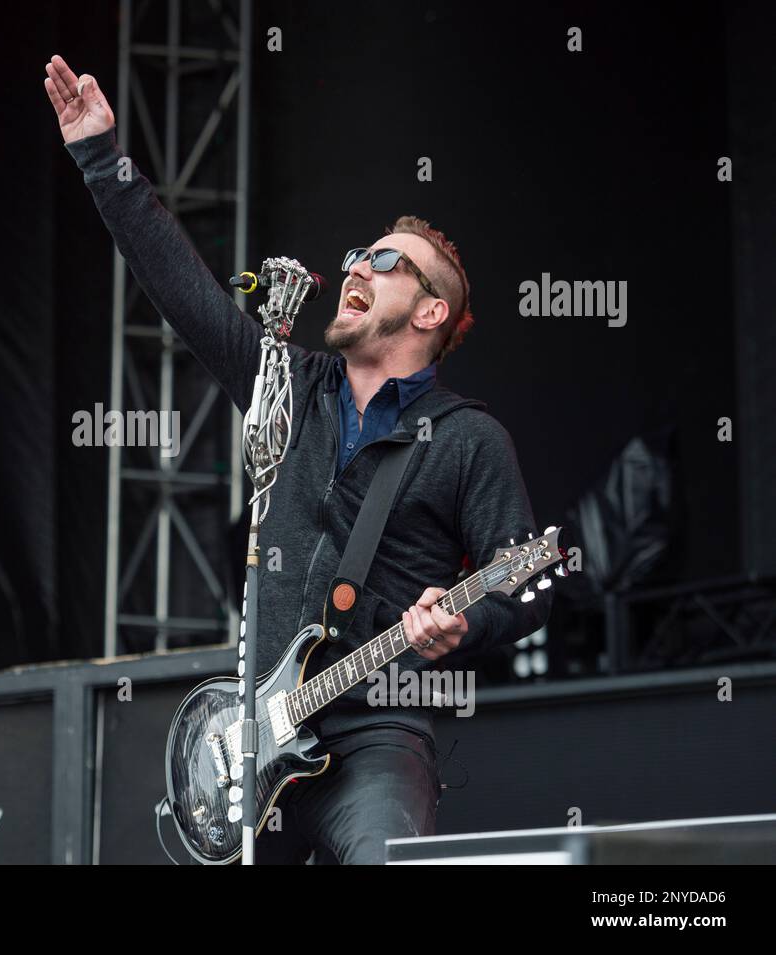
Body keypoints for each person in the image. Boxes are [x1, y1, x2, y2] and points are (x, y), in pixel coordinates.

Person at [45, 55, 552, 863]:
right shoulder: (288, 384)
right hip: (253, 737)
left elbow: (521, 577)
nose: (357, 265)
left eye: (385, 262)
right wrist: (103, 160)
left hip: (377, 728)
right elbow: (185, 292)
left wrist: (464, 619)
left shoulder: (466, 438)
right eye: (360, 253)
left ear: (430, 310)